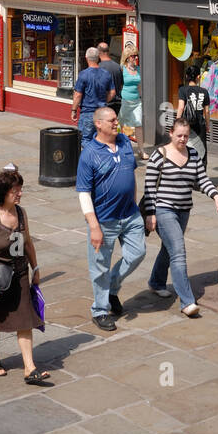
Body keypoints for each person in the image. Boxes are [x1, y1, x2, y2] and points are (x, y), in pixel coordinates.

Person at [0, 166, 51, 383]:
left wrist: (36, 268)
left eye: (20, 189)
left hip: (19, 274)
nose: (20, 193)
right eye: (16, 190)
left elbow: (28, 243)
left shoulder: (21, 213)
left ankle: (29, 368)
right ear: (3, 192)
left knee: (25, 320)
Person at [142, 117, 218, 317]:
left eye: (186, 136)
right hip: (164, 209)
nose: (182, 139)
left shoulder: (193, 154)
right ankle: (187, 302)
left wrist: (215, 196)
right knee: (178, 251)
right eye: (179, 135)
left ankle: (156, 281)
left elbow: (202, 178)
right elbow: (149, 188)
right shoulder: (159, 155)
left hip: (184, 210)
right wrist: (150, 214)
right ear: (170, 133)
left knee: (169, 247)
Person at [76, 105, 145, 331]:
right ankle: (100, 310)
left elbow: (132, 174)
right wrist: (93, 226)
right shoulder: (89, 154)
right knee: (99, 267)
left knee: (137, 253)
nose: (116, 123)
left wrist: (135, 205)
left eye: (116, 120)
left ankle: (112, 287)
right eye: (112, 120)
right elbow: (84, 193)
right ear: (98, 124)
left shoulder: (125, 142)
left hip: (130, 214)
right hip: (104, 220)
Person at [71, 47, 116, 141]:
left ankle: (89, 156)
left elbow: (77, 95)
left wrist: (74, 110)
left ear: (86, 58)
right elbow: (112, 93)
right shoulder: (106, 74)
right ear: (98, 58)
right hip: (102, 113)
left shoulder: (83, 74)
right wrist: (103, 100)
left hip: (88, 112)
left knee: (85, 140)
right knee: (101, 140)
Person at [176, 64, 210, 168]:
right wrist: (207, 125)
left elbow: (181, 107)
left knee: (185, 147)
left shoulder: (182, 90)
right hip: (200, 124)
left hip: (187, 125)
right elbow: (207, 111)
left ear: (187, 76)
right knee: (201, 149)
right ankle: (201, 174)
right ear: (198, 77)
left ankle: (187, 171)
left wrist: (177, 123)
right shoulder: (204, 91)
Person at [119, 46, 143, 155]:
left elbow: (139, 86)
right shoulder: (122, 69)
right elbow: (119, 85)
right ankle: (118, 148)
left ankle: (141, 150)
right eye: (134, 56)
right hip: (124, 100)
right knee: (121, 124)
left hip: (137, 101)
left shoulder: (138, 69)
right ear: (128, 57)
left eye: (136, 55)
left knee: (138, 124)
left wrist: (140, 97)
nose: (136, 58)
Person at [97, 40, 123, 119]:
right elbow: (121, 85)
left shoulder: (99, 67)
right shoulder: (117, 66)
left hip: (105, 104)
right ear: (108, 51)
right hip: (117, 103)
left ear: (99, 52)